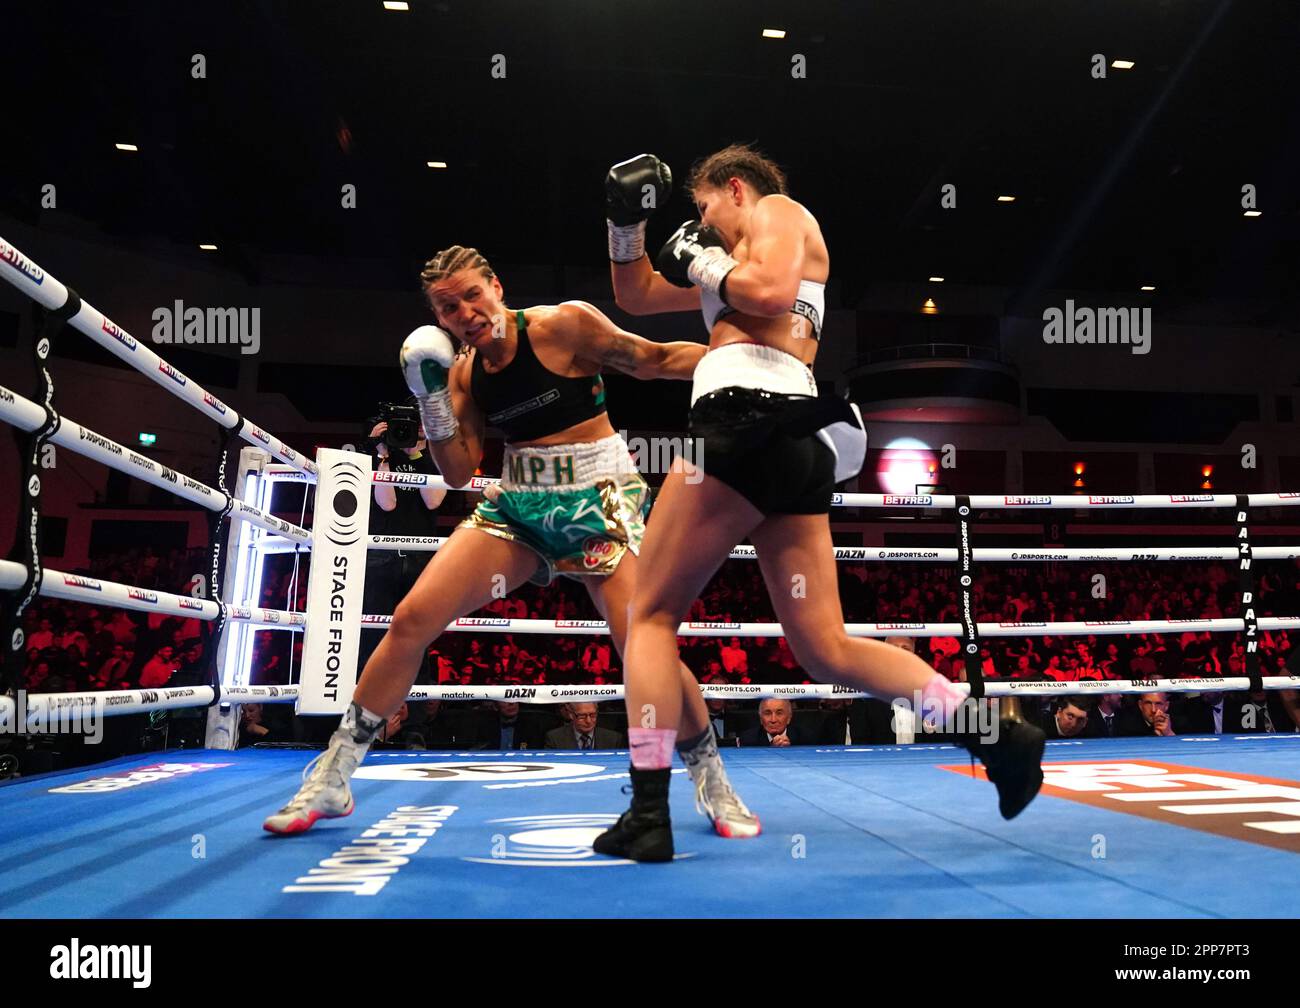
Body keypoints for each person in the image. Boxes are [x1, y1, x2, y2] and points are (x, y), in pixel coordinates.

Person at [594, 147, 1044, 862]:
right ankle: (995, 734)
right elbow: (639, 295)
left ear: (734, 189)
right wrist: (626, 223)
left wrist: (704, 259)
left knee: (648, 615)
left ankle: (648, 813)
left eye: (705, 207)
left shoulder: (778, 212)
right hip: (797, 440)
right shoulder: (736, 262)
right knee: (824, 647)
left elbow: (768, 293)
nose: (700, 224)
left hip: (741, 419)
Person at [264, 244, 757, 837]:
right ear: (440, 320)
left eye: (472, 294)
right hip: (519, 506)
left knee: (644, 644)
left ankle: (710, 777)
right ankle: (335, 772)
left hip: (600, 501)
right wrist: (432, 403)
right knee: (412, 617)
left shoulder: (563, 325)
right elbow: (454, 472)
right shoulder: (464, 374)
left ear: (496, 286)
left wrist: (747, 368)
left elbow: (651, 359)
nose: (465, 312)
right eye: (449, 307)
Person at [543, 702, 624, 749]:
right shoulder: (554, 739)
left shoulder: (614, 739)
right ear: (571, 715)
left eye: (592, 715)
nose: (588, 721)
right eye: (582, 716)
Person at [737, 698, 812, 747]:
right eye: (767, 713)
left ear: (789, 718)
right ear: (760, 718)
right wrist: (771, 749)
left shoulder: (805, 738)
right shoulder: (748, 739)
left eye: (779, 713)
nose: (773, 720)